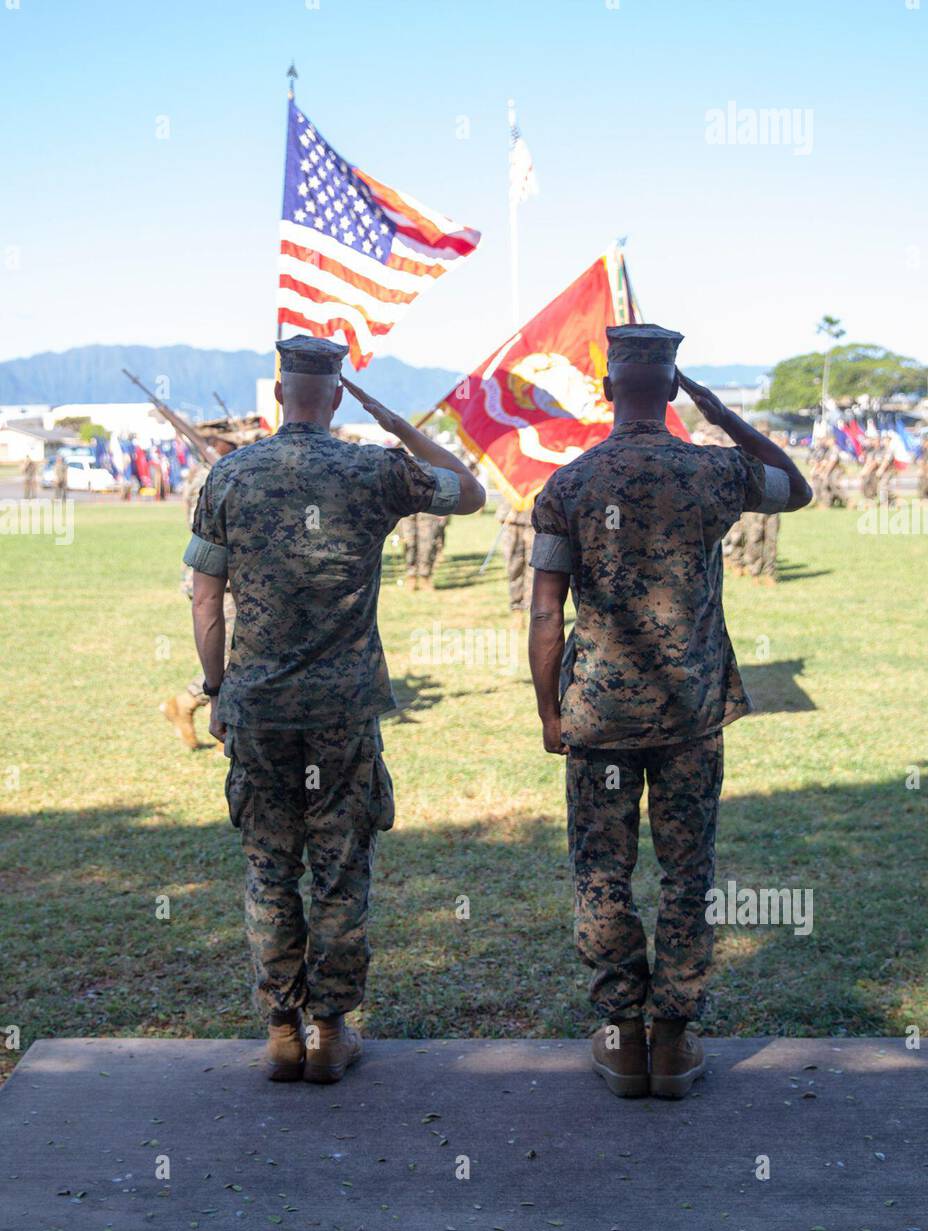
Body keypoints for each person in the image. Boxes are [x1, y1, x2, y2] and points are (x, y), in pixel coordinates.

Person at [184, 336, 484, 1084]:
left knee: (269, 871)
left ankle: (282, 1030)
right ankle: (330, 1029)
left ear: (279, 395)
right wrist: (400, 426)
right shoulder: (374, 471)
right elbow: (470, 491)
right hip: (343, 712)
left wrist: (217, 689)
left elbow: (204, 595)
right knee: (341, 871)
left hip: (258, 709)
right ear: (341, 398)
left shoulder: (231, 475)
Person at [528, 325, 812, 1101]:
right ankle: (675, 1041)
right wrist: (724, 415)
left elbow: (546, 615)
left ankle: (623, 1041)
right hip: (689, 717)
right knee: (688, 875)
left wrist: (550, 712)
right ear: (675, 387)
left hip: (597, 719)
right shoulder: (715, 473)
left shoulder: (568, 486)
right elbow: (798, 486)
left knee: (602, 876)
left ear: (611, 389)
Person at [160, 449, 236, 750]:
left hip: (222, 575)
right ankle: (186, 702)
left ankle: (219, 720)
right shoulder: (210, 476)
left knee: (235, 649)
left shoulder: (221, 471)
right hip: (216, 577)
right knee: (232, 652)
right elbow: (207, 530)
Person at [498, 499, 534, 620]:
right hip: (511, 517)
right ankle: (516, 607)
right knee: (513, 566)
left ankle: (532, 610)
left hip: (535, 518)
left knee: (534, 568)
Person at [398, 510, 447, 590]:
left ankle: (424, 576)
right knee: (409, 541)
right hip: (405, 503)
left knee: (428, 543)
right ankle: (411, 575)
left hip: (428, 505)